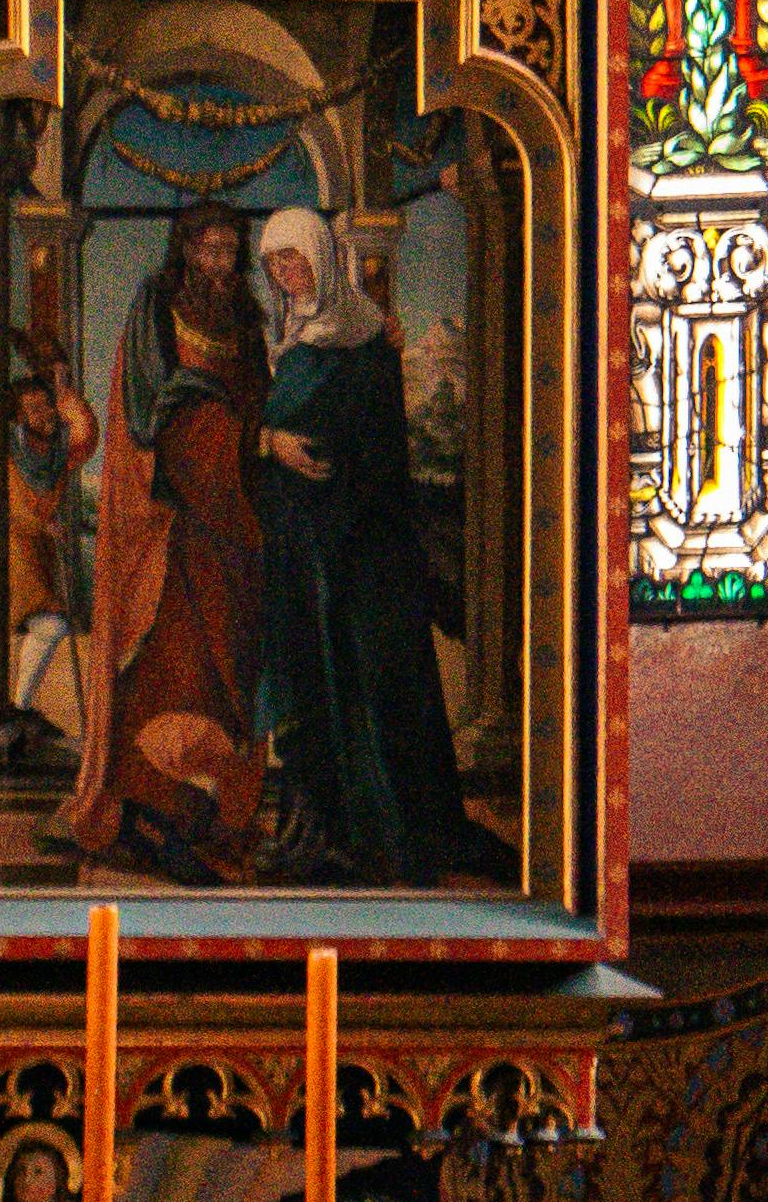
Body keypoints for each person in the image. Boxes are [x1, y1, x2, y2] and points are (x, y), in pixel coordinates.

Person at [252, 211, 499, 888]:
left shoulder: (360, 339)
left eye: (294, 261)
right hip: (304, 550)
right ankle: (319, 833)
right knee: (313, 688)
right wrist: (268, 444)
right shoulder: (293, 336)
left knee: (368, 691)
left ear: (323, 261)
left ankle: (378, 835)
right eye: (274, 263)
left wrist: (332, 508)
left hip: (355, 549)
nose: (285, 274)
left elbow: (374, 446)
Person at [67, 203, 267, 873]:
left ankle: (208, 811)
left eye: (229, 250)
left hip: (234, 516)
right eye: (207, 249)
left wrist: (252, 449)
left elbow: (258, 396)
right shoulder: (158, 301)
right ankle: (145, 806)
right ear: (185, 249)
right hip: (177, 515)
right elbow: (159, 408)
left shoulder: (247, 314)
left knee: (226, 669)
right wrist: (229, 441)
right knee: (167, 659)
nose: (219, 262)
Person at [5, 333, 98, 741]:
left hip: (40, 547)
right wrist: (42, 524)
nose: (42, 414)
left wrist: (62, 389)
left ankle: (21, 705)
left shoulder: (57, 447)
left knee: (48, 626)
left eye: (45, 406)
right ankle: (19, 706)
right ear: (19, 416)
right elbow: (11, 505)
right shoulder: (9, 451)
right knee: (49, 625)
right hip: (13, 548)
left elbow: (85, 434)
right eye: (33, 409)